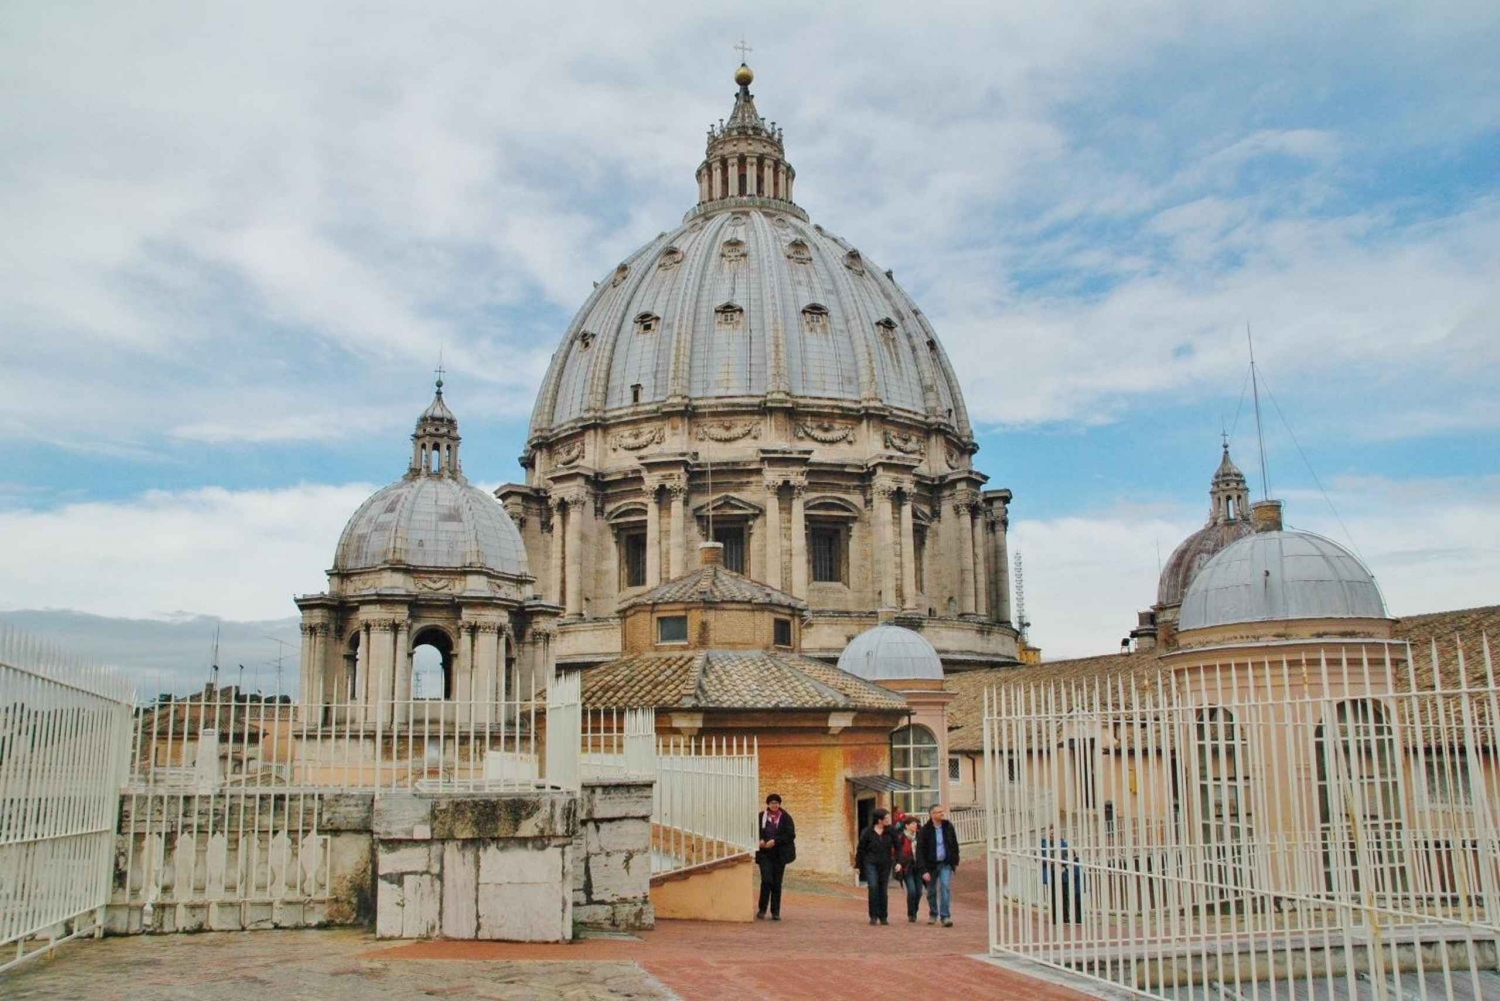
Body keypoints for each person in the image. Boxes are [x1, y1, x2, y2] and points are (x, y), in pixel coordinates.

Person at [918, 803, 960, 927]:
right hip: (930, 866)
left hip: (945, 863)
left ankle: (945, 916)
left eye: (942, 811)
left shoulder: (948, 826)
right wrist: (923, 870)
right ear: (932, 815)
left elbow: (954, 844)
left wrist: (955, 860)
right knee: (931, 891)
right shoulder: (925, 830)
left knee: (945, 887)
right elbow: (919, 851)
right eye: (939, 812)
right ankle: (933, 913)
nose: (942, 813)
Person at [756, 793, 796, 920]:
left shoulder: (785, 818)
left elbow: (790, 835)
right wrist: (760, 839)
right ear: (768, 804)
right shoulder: (761, 816)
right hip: (764, 854)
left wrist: (776, 841)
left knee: (777, 883)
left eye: (776, 803)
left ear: (779, 804)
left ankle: (775, 911)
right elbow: (754, 830)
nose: (774, 805)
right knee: (767, 880)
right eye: (772, 802)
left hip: (779, 855)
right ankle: (762, 909)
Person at [855, 807, 896, 925]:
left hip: (885, 863)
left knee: (883, 889)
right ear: (879, 820)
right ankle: (873, 915)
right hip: (870, 862)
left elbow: (898, 847)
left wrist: (898, 862)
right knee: (873, 887)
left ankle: (883, 916)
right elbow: (861, 848)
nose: (889, 820)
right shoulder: (867, 832)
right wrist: (858, 865)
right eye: (886, 818)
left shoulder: (891, 831)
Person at [893, 816, 924, 922]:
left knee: (919, 891)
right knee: (912, 891)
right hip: (907, 868)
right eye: (912, 824)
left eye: (916, 824)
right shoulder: (901, 837)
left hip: (919, 868)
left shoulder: (919, 836)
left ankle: (914, 910)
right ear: (906, 826)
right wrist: (898, 863)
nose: (915, 826)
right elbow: (897, 852)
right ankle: (911, 914)